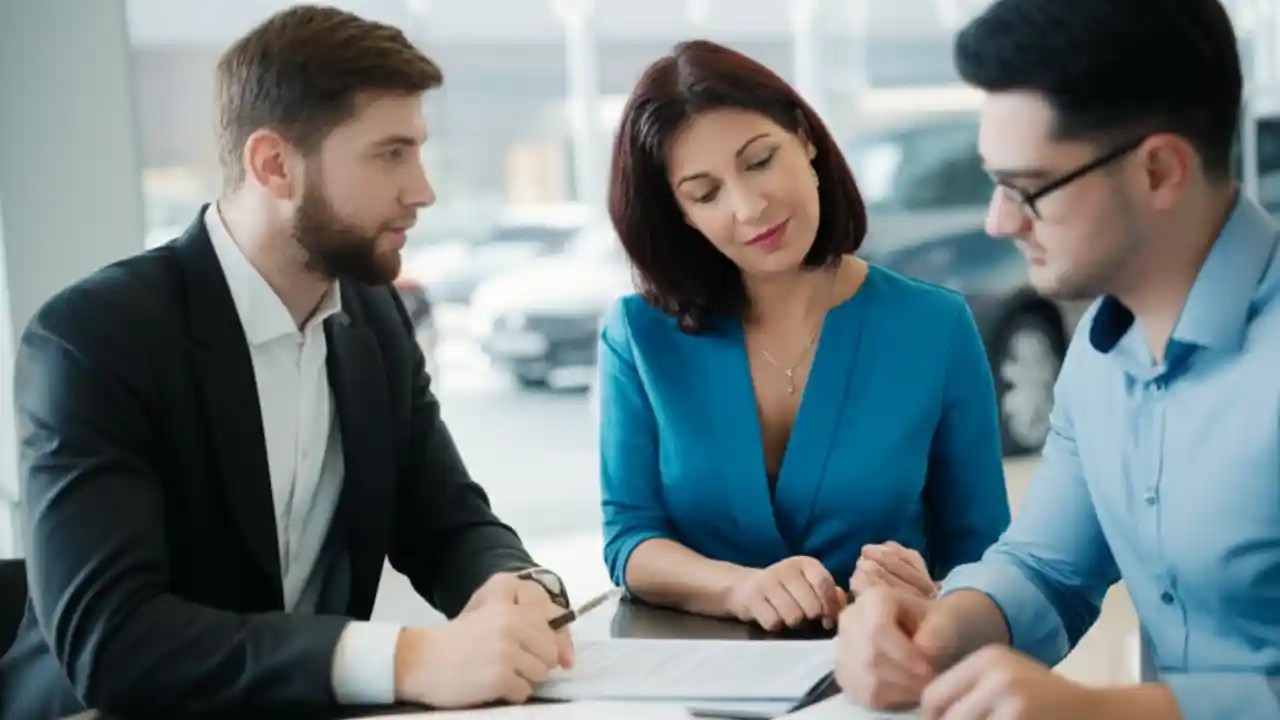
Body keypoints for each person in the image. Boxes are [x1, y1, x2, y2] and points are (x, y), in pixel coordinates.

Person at [0, 7, 573, 719]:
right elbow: (112, 639)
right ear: (274, 164)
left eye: (419, 151)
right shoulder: (93, 340)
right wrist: (408, 658)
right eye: (389, 154)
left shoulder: (374, 318)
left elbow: (447, 522)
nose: (423, 189)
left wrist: (512, 585)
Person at [836, 1, 1280, 718]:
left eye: (1028, 188)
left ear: (1160, 171)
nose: (999, 221)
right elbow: (1046, 568)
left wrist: (1106, 713)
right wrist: (938, 630)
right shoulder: (1101, 359)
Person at [598, 39, 1011, 633]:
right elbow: (630, 539)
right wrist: (740, 588)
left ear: (806, 139)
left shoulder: (935, 326)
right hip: (698, 681)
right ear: (681, 215)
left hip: (886, 673)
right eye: (705, 193)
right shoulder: (638, 334)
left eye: (760, 160)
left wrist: (932, 592)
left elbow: (985, 556)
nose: (748, 206)